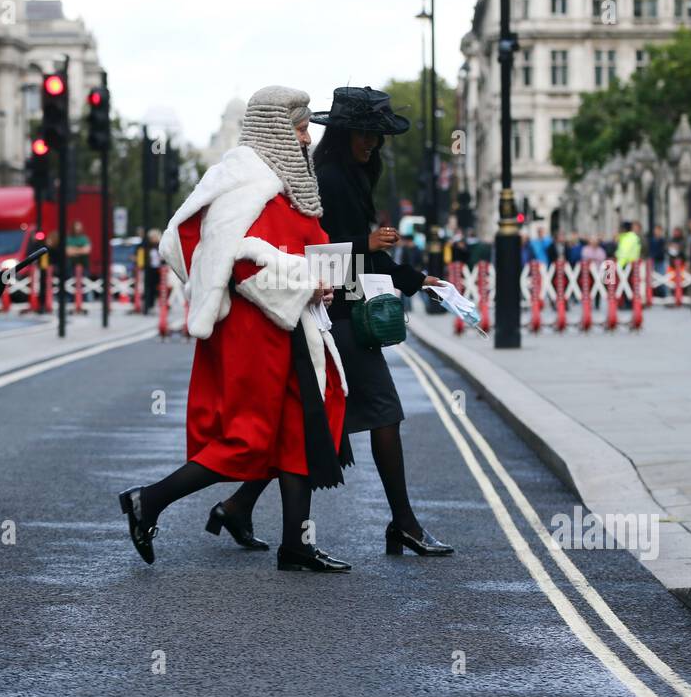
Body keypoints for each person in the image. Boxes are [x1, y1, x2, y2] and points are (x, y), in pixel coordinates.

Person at [209, 86, 452, 558]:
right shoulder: (331, 176)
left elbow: (366, 258)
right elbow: (321, 256)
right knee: (383, 412)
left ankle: (237, 506)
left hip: (345, 310)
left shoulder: (355, 174)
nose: (373, 143)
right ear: (344, 133)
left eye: (378, 136)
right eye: (366, 133)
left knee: (309, 428)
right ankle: (403, 523)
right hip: (335, 315)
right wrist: (368, 246)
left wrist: (416, 279)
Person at [117, 85, 351, 573]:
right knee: (248, 437)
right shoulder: (246, 181)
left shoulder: (284, 180)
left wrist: (322, 282)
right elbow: (236, 261)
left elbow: (303, 244)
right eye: (302, 127)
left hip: (288, 327)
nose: (308, 138)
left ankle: (296, 545)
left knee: (297, 432)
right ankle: (149, 500)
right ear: (276, 129)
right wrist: (301, 286)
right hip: (255, 333)